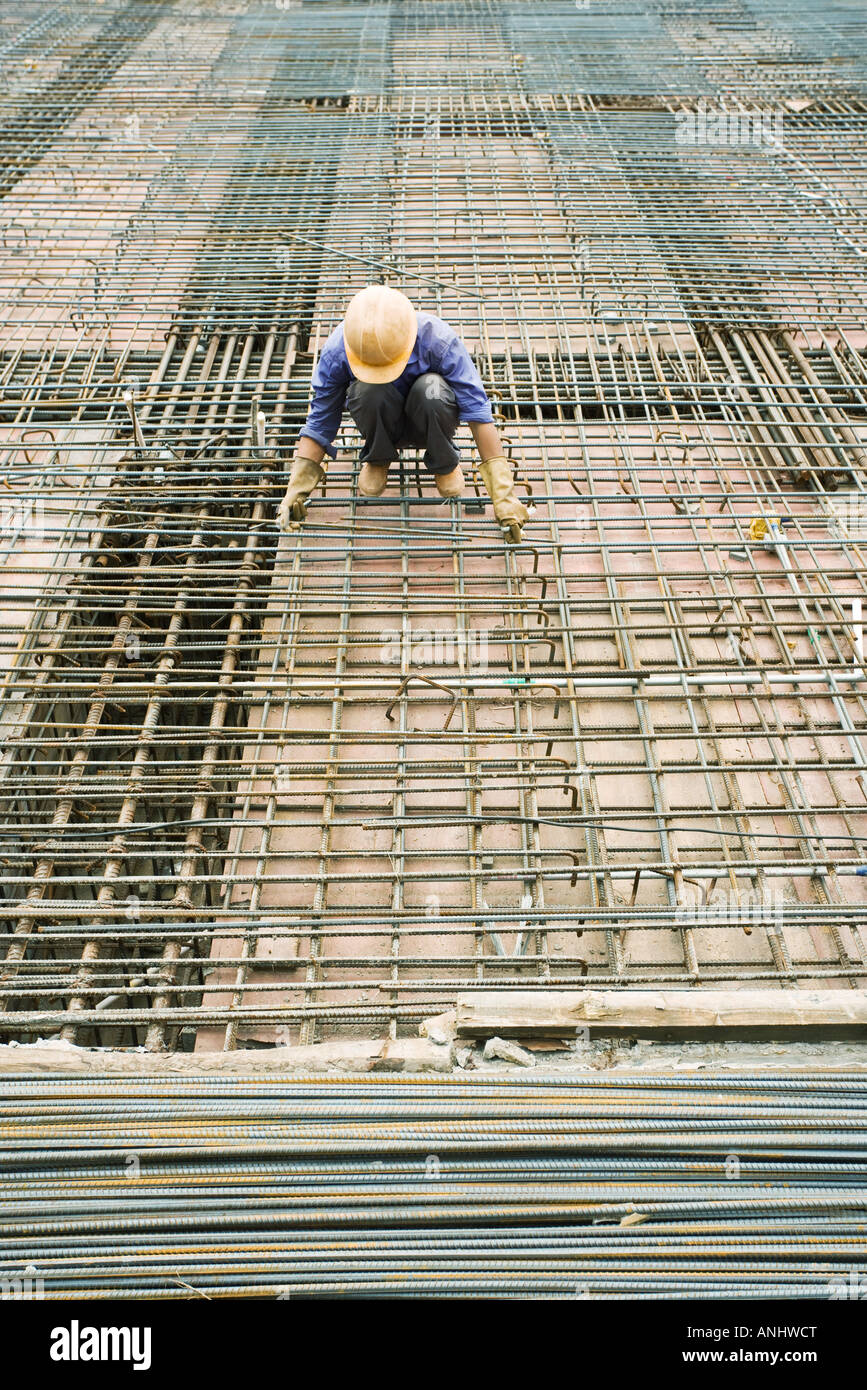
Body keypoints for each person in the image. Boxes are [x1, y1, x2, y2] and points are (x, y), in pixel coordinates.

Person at [278, 284, 529, 541]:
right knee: (367, 391)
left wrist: (503, 495)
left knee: (431, 390)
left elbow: (478, 414)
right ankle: (378, 457)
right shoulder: (339, 350)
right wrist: (296, 490)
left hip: (431, 418)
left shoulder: (438, 340)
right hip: (380, 421)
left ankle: (444, 462)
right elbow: (320, 421)